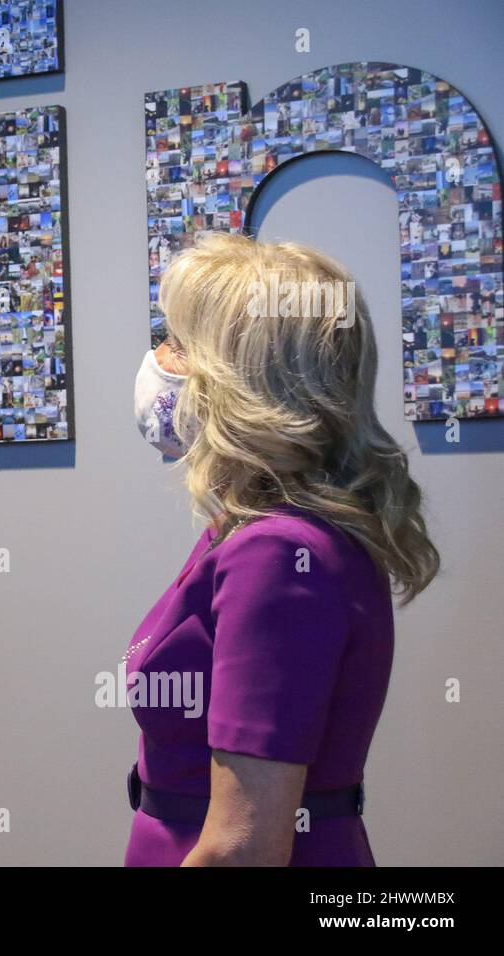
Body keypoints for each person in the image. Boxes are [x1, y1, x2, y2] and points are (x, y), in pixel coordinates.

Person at [126, 233, 439, 866]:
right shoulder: (260, 530)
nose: (160, 358)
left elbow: (244, 847)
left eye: (179, 342)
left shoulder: (278, 552)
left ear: (238, 380)